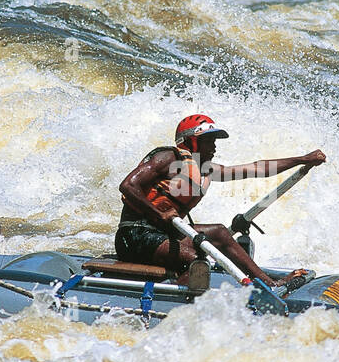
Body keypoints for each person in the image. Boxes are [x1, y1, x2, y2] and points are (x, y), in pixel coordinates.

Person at [116, 114, 325, 291]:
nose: (214, 147)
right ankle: (175, 303)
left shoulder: (206, 169)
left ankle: (269, 283)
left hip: (164, 235)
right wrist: (158, 214)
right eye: (209, 141)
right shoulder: (168, 158)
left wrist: (302, 160)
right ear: (192, 141)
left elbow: (257, 169)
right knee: (196, 260)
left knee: (219, 232)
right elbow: (128, 185)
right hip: (135, 236)